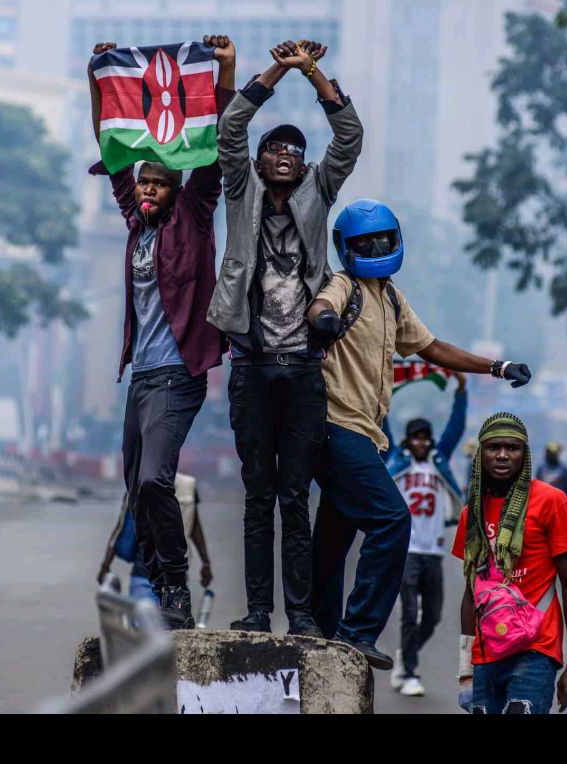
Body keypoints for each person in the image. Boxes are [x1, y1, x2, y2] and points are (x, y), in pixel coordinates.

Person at [306, 198, 533, 669]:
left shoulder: (389, 297)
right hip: (336, 427)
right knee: (392, 520)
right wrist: (323, 319)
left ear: (395, 240)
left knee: (332, 540)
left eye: (382, 240)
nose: (374, 247)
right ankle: (357, 631)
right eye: (364, 242)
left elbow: (431, 347)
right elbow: (321, 303)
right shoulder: (345, 284)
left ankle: (320, 633)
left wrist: (496, 366)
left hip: (364, 434)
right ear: (345, 248)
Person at [208, 39, 362, 637]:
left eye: (292, 151)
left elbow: (348, 137)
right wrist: (277, 69)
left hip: (302, 365)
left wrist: (315, 72)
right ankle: (257, 611)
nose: (280, 155)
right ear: (261, 158)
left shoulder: (318, 191)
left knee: (294, 496)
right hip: (249, 361)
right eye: (272, 148)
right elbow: (230, 129)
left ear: (302, 164)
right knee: (256, 494)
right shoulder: (239, 189)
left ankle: (299, 615)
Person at [87, 36, 236, 629]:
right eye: (141, 183)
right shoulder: (135, 225)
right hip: (142, 379)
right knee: (136, 489)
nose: (146, 188)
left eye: (157, 183)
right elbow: (111, 141)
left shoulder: (194, 215)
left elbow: (219, 152)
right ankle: (154, 588)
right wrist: (96, 76)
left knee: (155, 478)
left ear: (176, 188)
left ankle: (172, 587)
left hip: (179, 376)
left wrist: (225, 71)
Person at [451, 413, 567, 714]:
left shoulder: (552, 502)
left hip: (535, 648)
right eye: (493, 447)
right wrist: (465, 669)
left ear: (524, 455)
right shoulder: (471, 513)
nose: (502, 455)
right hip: (486, 653)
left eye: (512, 448)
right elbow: (471, 592)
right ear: (480, 454)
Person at [386, 374, 467, 696]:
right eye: (415, 438)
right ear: (407, 441)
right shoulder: (394, 459)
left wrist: (460, 393)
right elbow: (382, 427)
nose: (421, 442)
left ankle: (406, 656)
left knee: (432, 616)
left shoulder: (438, 461)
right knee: (409, 613)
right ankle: (410, 674)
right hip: (405, 551)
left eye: (425, 437)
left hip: (433, 550)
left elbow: (455, 429)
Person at [98, 473, 214, 601]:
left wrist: (105, 566)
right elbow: (195, 527)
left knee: (147, 619)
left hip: (153, 579)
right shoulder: (185, 486)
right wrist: (205, 563)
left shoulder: (138, 483)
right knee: (171, 620)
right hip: (158, 578)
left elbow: (121, 528)